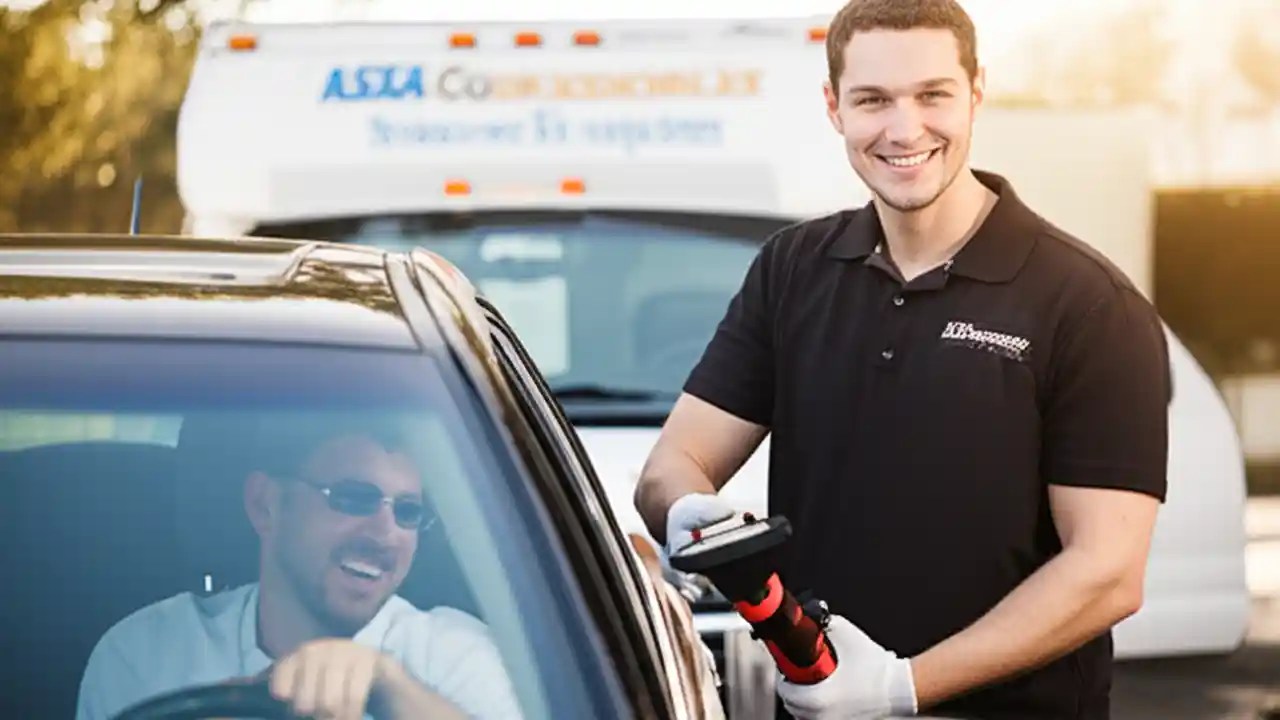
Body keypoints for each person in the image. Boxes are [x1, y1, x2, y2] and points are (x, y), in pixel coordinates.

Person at [634, 1, 1170, 718]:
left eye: (932, 95)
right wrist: (689, 511)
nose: (903, 128)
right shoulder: (793, 270)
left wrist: (901, 687)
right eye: (873, 100)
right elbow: (671, 469)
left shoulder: (1086, 302)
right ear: (834, 108)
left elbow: (1107, 574)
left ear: (977, 91)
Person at [76, 416, 522, 720]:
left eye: (408, 512)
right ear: (265, 505)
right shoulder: (147, 653)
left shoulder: (458, 657)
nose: (386, 534)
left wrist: (388, 686)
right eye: (352, 499)